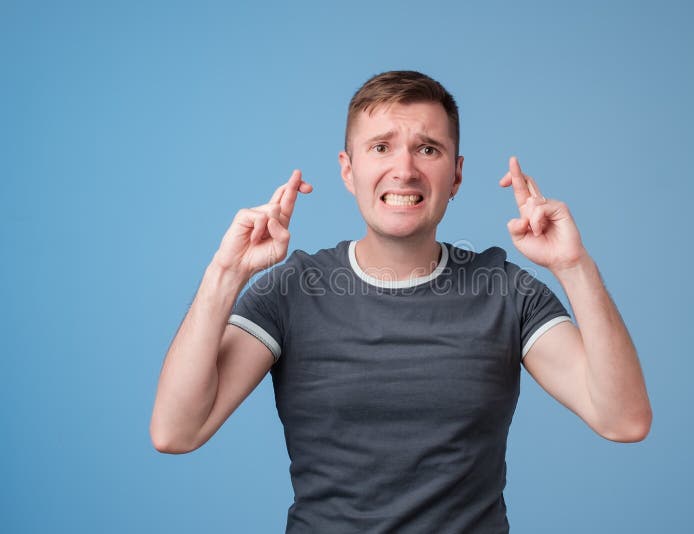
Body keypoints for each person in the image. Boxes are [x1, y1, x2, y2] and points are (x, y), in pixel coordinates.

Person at [150, 70, 652, 533]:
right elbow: (177, 431)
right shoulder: (291, 291)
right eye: (381, 147)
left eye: (428, 149)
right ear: (348, 171)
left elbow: (623, 419)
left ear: (455, 176)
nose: (404, 169)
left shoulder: (507, 291)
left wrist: (573, 266)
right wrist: (226, 272)